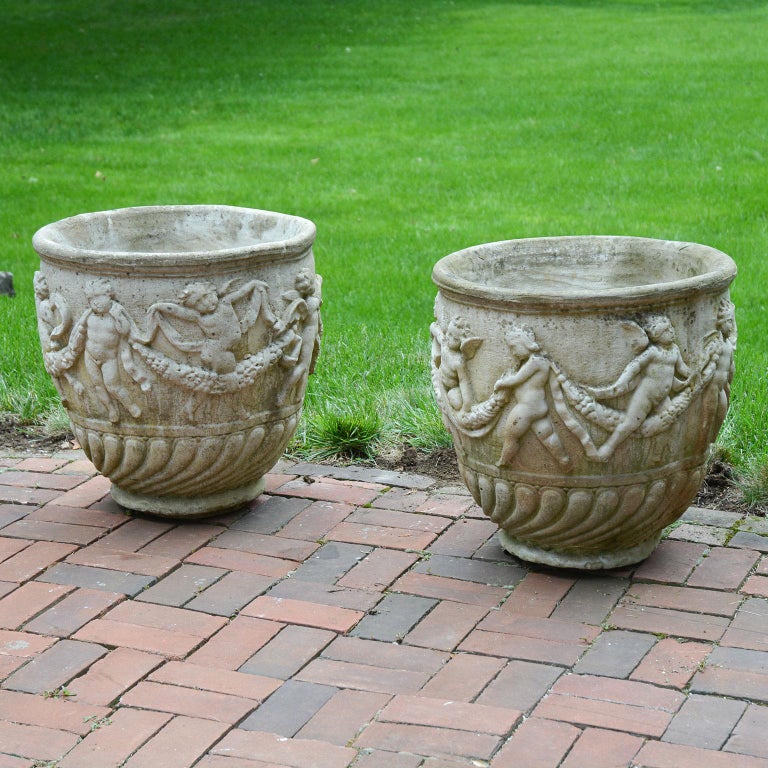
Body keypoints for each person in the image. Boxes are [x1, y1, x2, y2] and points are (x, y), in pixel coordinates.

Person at [494, 323, 570, 467]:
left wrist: (500, 383)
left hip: (526, 409)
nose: (513, 352)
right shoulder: (541, 361)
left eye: (514, 347)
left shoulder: (535, 361)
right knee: (547, 436)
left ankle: (503, 461)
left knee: (510, 436)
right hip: (538, 408)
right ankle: (564, 460)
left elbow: (517, 380)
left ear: (525, 343)